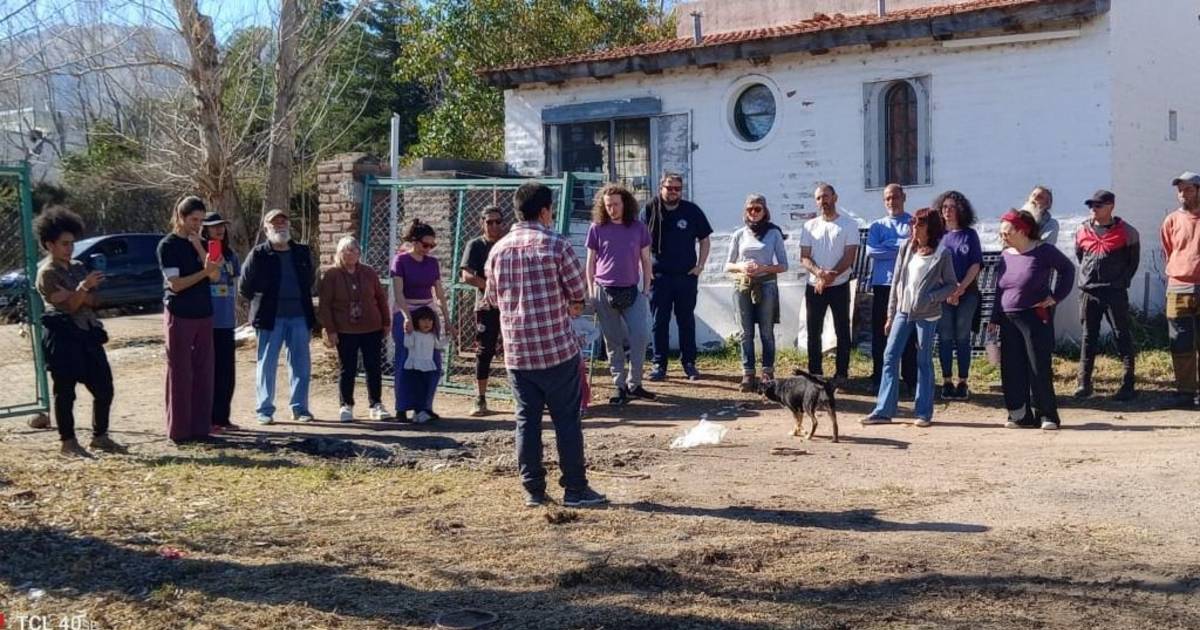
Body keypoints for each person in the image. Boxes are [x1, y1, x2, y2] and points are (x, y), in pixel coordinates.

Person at [485, 181, 607, 508]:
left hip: (518, 353)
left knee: (527, 420)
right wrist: (571, 305)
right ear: (544, 211)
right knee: (566, 420)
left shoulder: (498, 249)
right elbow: (578, 293)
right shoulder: (557, 244)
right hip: (556, 350)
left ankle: (534, 491)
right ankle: (575, 489)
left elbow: (493, 298)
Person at [33, 206, 121, 457]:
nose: (69, 248)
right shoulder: (47, 273)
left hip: (88, 332)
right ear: (49, 244)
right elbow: (69, 305)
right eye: (64, 243)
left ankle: (100, 436)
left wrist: (79, 294)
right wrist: (82, 290)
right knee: (65, 391)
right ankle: (68, 442)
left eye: (72, 243)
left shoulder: (79, 266)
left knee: (104, 387)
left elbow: (95, 301)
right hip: (63, 336)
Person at [862, 208, 957, 427]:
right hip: (903, 312)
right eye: (913, 223)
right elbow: (896, 282)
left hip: (927, 315)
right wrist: (890, 314)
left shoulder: (942, 253)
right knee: (889, 356)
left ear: (931, 228)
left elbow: (952, 284)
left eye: (920, 224)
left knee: (923, 361)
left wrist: (933, 297)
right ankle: (883, 410)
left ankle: (923, 413)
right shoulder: (906, 247)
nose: (914, 228)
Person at [987, 210, 1075, 430]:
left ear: (1022, 230)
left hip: (1034, 317)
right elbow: (1000, 288)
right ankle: (1019, 415)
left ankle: (1047, 415)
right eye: (1001, 233)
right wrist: (994, 318)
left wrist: (1054, 297)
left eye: (1007, 232)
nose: (1003, 237)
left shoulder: (1044, 251)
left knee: (1038, 366)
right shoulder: (1006, 255)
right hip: (1008, 319)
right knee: (1012, 367)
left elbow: (1068, 269)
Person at [239, 208, 318, 425]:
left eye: (283, 222)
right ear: (266, 228)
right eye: (275, 223)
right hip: (269, 318)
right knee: (267, 364)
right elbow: (244, 287)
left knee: (301, 364)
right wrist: (262, 300)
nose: (280, 226)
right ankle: (264, 409)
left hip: (299, 316)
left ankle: (300, 408)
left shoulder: (302, 252)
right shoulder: (258, 254)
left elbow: (310, 280)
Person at [158, 196, 221, 443]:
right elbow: (176, 285)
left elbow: (215, 277)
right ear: (181, 217)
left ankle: (200, 429)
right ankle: (179, 431)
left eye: (201, 220)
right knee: (180, 372)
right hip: (180, 313)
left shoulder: (202, 243)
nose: (197, 225)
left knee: (205, 372)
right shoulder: (168, 245)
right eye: (194, 219)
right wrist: (204, 271)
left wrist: (199, 249)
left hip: (204, 312)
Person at [586, 183, 656, 406]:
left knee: (640, 336)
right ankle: (619, 385)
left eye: (615, 204)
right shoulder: (596, 228)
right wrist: (591, 290)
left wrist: (645, 289)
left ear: (625, 203)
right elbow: (590, 262)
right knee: (613, 341)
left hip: (632, 291)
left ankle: (635, 383)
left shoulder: (638, 228)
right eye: (608, 205)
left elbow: (646, 260)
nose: (612, 209)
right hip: (604, 291)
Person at [642, 172, 712, 382]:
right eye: (669, 188)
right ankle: (659, 364)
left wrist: (700, 266)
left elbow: (705, 239)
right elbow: (640, 241)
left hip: (685, 276)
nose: (673, 192)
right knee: (659, 321)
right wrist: (645, 269)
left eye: (677, 189)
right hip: (659, 277)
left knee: (686, 320)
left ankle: (689, 363)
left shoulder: (691, 210)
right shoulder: (650, 209)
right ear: (660, 187)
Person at [1074, 190, 1139, 401]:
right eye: (1091, 205)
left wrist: (1121, 281)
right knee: (1088, 337)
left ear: (1111, 206)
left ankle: (1128, 383)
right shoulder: (1082, 230)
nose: (1094, 209)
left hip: (1114, 291)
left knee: (1122, 335)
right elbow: (1080, 255)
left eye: (1098, 205)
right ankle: (1084, 383)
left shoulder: (1127, 232)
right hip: (1089, 291)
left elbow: (1133, 262)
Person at [318, 235, 391, 423]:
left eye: (353, 250)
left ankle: (376, 404)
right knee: (347, 368)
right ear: (339, 253)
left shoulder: (369, 272)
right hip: (345, 329)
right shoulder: (332, 275)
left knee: (373, 367)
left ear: (359, 253)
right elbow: (325, 305)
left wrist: (386, 322)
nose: (350, 253)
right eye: (345, 250)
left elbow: (381, 298)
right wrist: (330, 329)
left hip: (371, 327)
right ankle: (346, 405)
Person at [725, 193, 788, 392]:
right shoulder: (739, 234)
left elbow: (783, 265)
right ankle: (748, 372)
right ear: (745, 211)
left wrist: (763, 268)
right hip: (743, 285)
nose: (754, 213)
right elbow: (728, 265)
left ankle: (767, 371)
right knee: (745, 332)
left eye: (757, 209)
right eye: (750, 209)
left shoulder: (773, 233)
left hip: (766, 285)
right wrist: (742, 266)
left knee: (766, 331)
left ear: (764, 211)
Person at [390, 218, 452, 422]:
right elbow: (398, 293)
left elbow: (439, 293)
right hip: (407, 310)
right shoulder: (400, 261)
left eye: (432, 245)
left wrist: (446, 318)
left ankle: (424, 406)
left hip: (428, 312)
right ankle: (402, 407)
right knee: (406, 359)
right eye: (425, 245)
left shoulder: (432, 263)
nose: (428, 249)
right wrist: (407, 317)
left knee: (432, 360)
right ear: (414, 242)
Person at [799, 183, 858, 385]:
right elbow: (804, 257)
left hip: (840, 285)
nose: (822, 201)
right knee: (813, 331)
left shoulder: (849, 225)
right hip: (814, 286)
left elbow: (849, 256)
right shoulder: (809, 226)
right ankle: (815, 374)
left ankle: (841, 373)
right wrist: (819, 274)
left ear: (835, 197)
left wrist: (829, 277)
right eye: (818, 198)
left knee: (842, 330)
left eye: (825, 196)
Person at [866, 184, 917, 395]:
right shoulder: (877, 226)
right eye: (887, 198)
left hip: (907, 286)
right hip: (883, 285)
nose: (891, 202)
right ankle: (880, 376)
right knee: (881, 332)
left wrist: (890, 244)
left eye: (895, 197)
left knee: (908, 333)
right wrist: (900, 246)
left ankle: (910, 378)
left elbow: (914, 249)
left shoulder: (913, 223)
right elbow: (872, 251)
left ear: (903, 197)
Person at [459, 206, 508, 417]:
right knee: (484, 350)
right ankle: (480, 397)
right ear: (482, 223)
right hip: (487, 305)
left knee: (515, 349)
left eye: (498, 222)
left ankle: (523, 395)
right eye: (490, 222)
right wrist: (490, 287)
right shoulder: (476, 245)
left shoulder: (508, 243)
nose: (494, 226)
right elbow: (466, 275)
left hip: (510, 305)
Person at [935, 190, 984, 400]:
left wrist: (960, 288)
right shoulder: (938, 236)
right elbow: (932, 265)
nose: (948, 211)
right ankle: (946, 381)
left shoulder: (969, 235)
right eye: (944, 207)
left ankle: (963, 381)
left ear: (960, 210)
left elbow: (976, 264)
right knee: (945, 337)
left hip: (967, 293)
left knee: (962, 336)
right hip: (943, 295)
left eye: (952, 207)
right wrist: (947, 289)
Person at [1161, 171, 1200, 409]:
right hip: (1178, 286)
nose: (1182, 194)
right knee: (1180, 341)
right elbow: (1168, 249)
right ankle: (1185, 391)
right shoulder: (1172, 220)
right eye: (1180, 190)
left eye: (1188, 189)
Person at [201, 212, 240, 432]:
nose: (219, 230)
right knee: (210, 372)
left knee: (227, 372)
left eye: (222, 226)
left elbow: (235, 280)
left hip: (226, 321)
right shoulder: (200, 253)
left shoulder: (231, 255)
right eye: (214, 226)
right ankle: (208, 418)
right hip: (207, 321)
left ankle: (223, 418)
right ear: (204, 229)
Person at [402, 306, 447, 424]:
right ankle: (419, 411)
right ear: (416, 321)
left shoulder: (432, 336)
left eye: (430, 320)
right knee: (417, 389)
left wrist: (449, 337)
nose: (427, 323)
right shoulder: (415, 334)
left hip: (428, 367)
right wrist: (407, 333)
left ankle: (422, 411)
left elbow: (438, 346)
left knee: (426, 389)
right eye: (423, 320)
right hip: (415, 366)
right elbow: (408, 344)